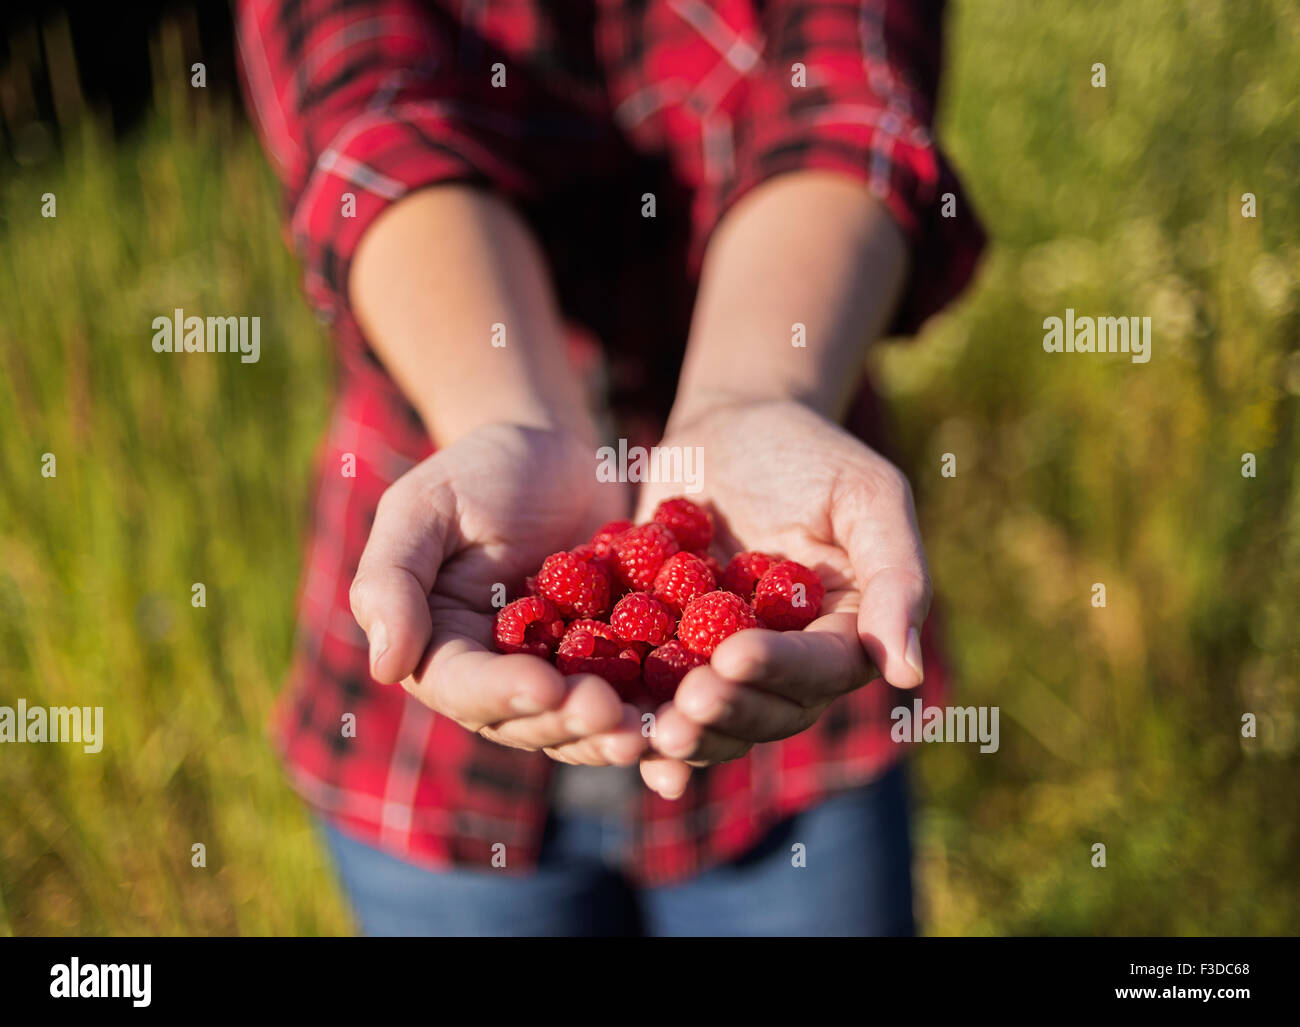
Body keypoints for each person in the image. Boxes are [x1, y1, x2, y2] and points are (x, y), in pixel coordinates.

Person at [235, 0, 983, 935]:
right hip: (424, 761)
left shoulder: (730, 574)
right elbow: (370, 123)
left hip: (794, 750)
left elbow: (846, 102)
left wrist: (759, 396)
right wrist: (503, 414)